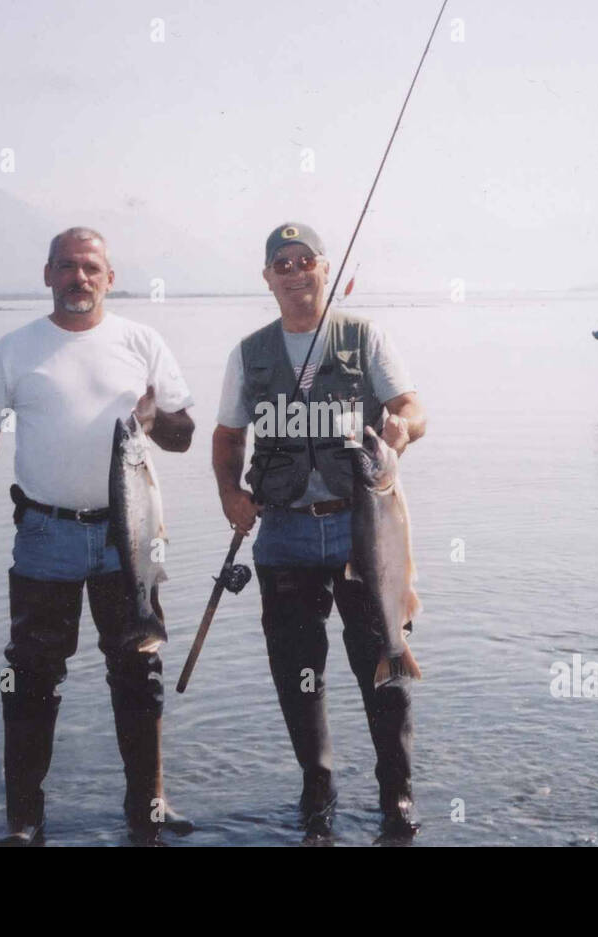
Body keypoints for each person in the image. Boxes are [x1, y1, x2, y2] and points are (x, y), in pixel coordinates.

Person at [0, 227, 197, 846]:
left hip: (130, 539)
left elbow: (183, 434)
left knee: (137, 672)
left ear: (110, 277)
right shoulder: (16, 348)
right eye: (67, 267)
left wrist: (153, 417)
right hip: (44, 534)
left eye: (91, 268)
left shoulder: (142, 342)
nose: (78, 278)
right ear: (47, 275)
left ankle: (148, 809)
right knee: (30, 676)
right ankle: (25, 822)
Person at [212, 222, 428, 840]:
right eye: (282, 263)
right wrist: (231, 493)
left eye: (305, 260)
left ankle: (398, 794)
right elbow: (228, 438)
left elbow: (414, 409)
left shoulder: (364, 337)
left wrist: (400, 432)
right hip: (283, 535)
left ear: (325, 269)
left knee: (382, 655)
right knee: (297, 668)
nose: (294, 271)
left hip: (364, 527)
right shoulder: (249, 353)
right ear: (267, 278)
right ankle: (318, 786)